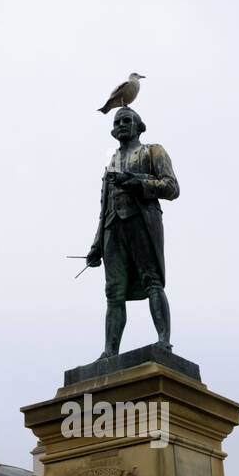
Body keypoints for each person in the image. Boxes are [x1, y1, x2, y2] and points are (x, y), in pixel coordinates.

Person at [85, 107, 179, 358]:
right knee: (113, 293)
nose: (123, 124)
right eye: (118, 121)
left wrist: (138, 182)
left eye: (128, 120)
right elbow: (103, 210)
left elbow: (172, 187)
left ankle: (164, 342)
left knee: (152, 281)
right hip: (112, 230)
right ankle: (109, 352)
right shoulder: (109, 166)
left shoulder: (152, 151)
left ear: (139, 126)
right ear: (113, 130)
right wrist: (96, 244)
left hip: (141, 222)